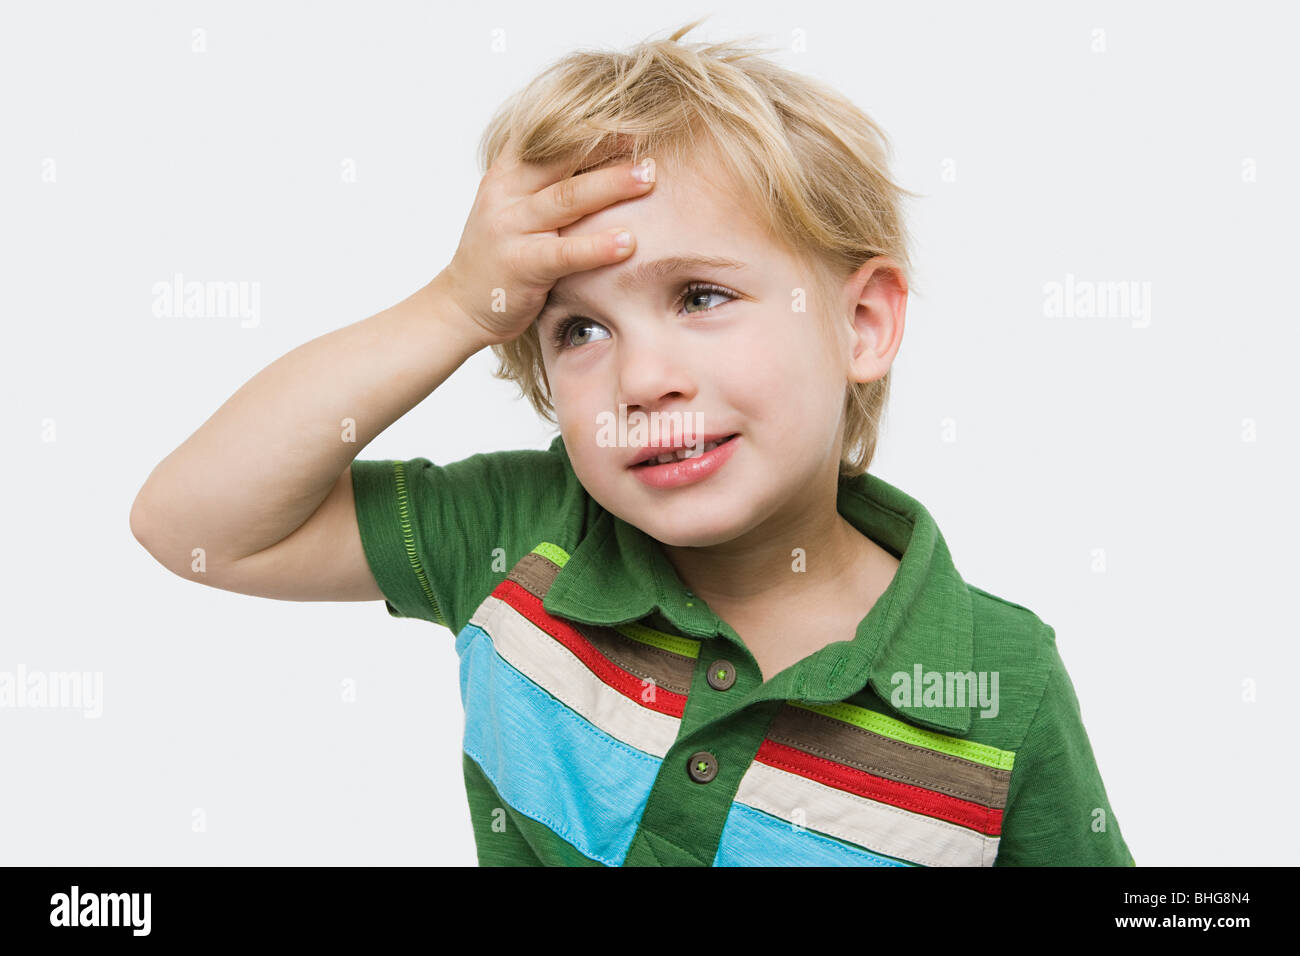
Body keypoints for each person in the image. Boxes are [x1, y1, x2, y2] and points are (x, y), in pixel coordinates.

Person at [131, 18, 1134, 867]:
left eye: (701, 295)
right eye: (579, 329)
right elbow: (195, 524)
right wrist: (453, 303)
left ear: (862, 323)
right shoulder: (522, 534)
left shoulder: (998, 679)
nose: (642, 377)